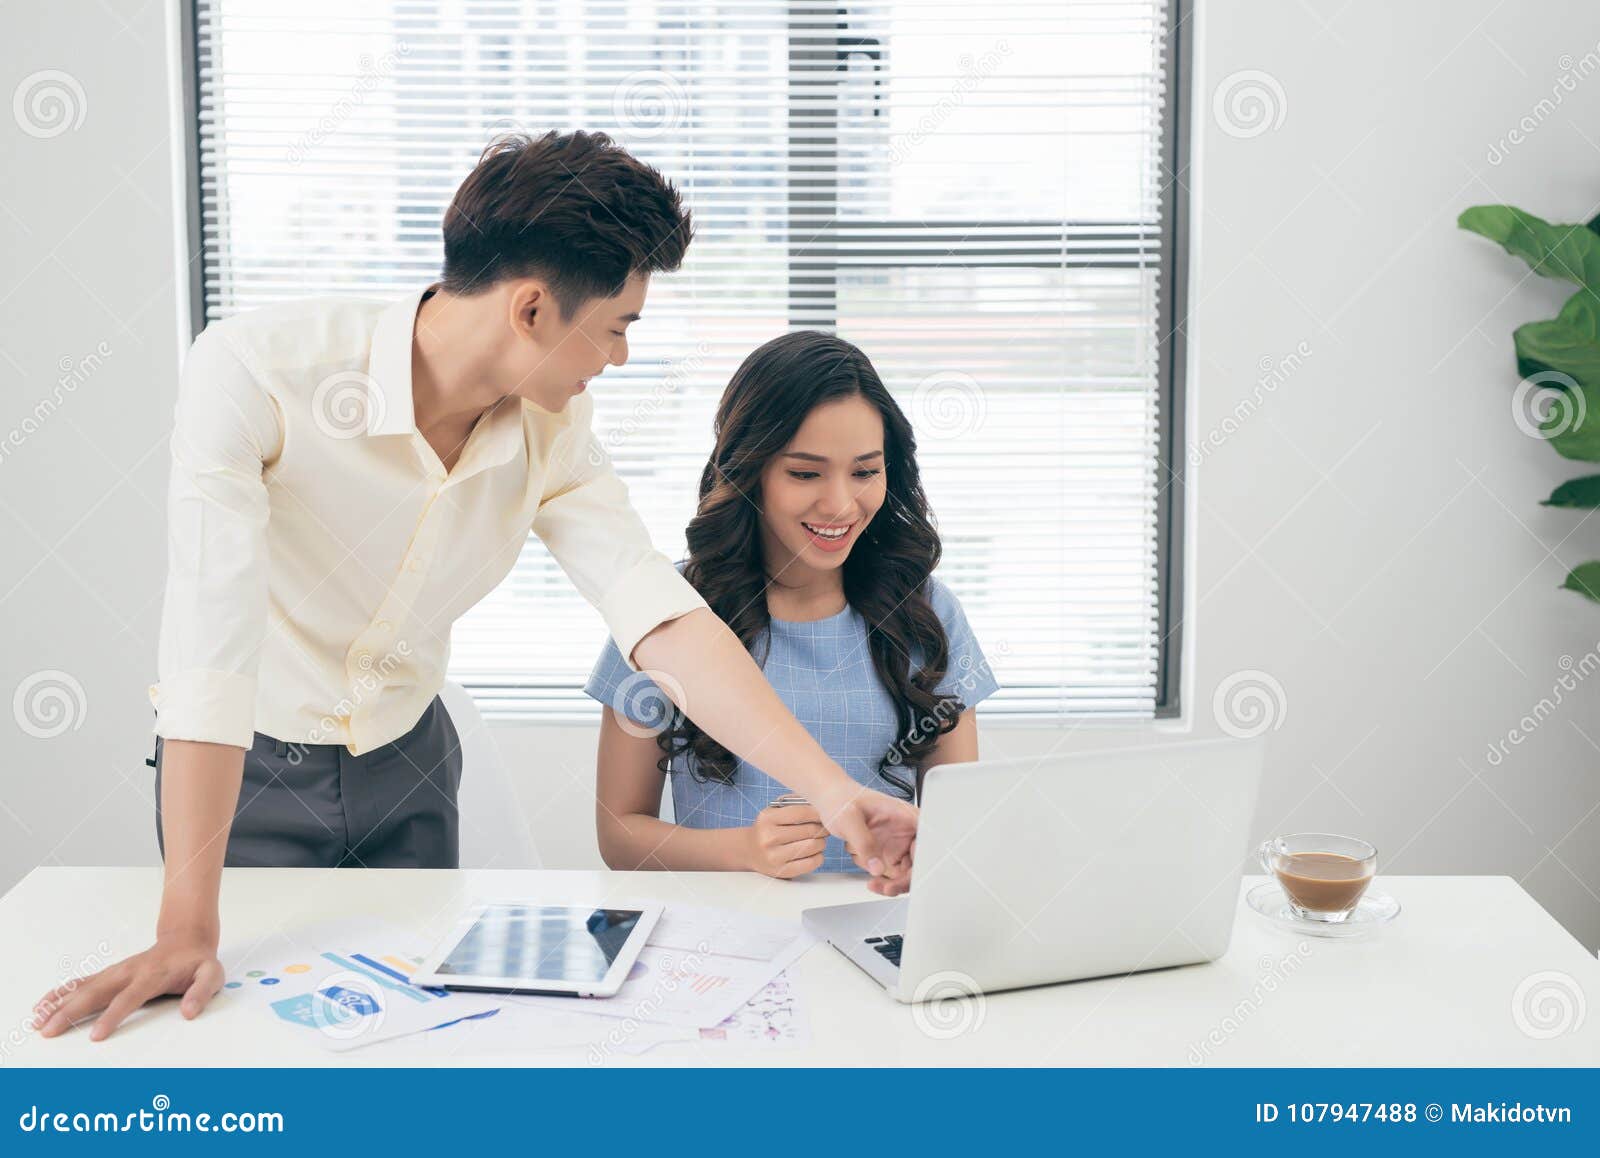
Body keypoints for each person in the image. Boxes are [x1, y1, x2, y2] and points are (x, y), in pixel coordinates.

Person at [32, 132, 916, 1044]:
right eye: (617, 327)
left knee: (422, 1033)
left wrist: (834, 792)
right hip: (251, 769)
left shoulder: (554, 428)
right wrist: (184, 924)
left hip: (410, 762)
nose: (616, 358)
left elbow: (656, 613)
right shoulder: (258, 372)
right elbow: (210, 646)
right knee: (243, 1034)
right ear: (532, 308)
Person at [588, 331, 999, 877]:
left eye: (865, 471)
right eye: (805, 473)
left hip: (871, 933)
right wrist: (743, 852)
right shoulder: (666, 614)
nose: (839, 503)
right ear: (750, 470)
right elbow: (620, 834)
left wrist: (925, 857)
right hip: (718, 938)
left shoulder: (927, 615)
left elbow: (958, 832)